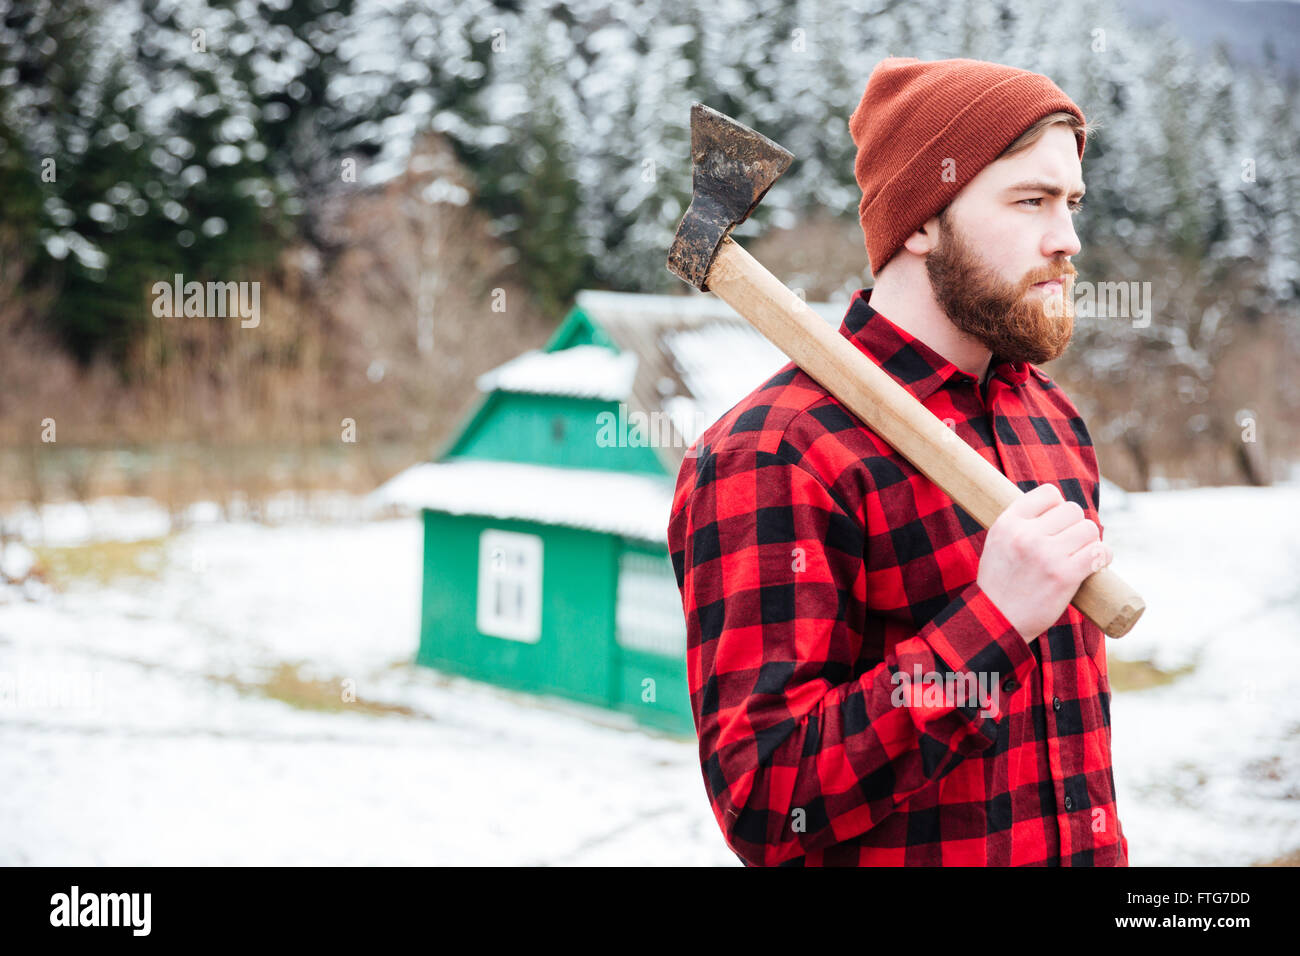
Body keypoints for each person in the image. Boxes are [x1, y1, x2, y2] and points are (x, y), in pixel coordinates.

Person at [667, 56, 1128, 866]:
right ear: (921, 220)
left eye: (1072, 202)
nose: (1068, 239)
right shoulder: (774, 452)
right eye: (1031, 201)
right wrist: (992, 622)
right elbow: (767, 802)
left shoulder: (1052, 420)